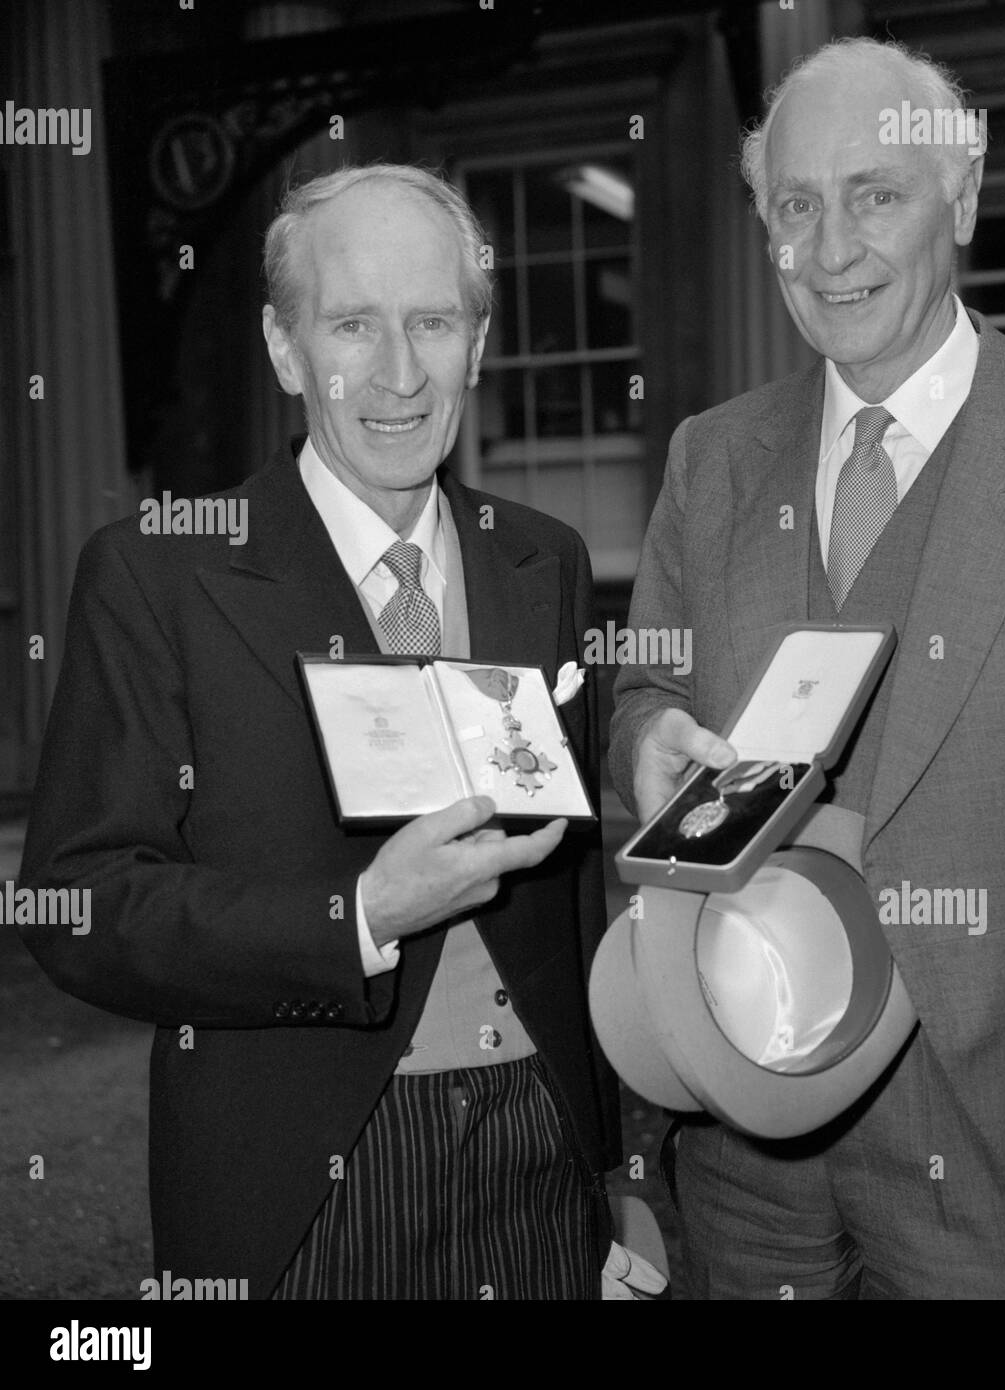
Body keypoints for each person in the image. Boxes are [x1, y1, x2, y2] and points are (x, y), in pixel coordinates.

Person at [608, 38, 1005, 1299]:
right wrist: (646, 744)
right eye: (796, 205)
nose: (833, 243)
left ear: (959, 200)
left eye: (876, 193)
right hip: (751, 1161)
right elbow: (648, 691)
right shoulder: (711, 461)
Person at [19, 163, 620, 1299]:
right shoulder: (160, 573)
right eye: (353, 324)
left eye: (432, 322)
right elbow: (82, 901)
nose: (398, 373)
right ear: (286, 348)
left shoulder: (541, 559)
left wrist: (622, 1166)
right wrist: (357, 917)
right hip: (305, 1184)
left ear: (477, 344)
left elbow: (576, 892)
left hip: (544, 1157)